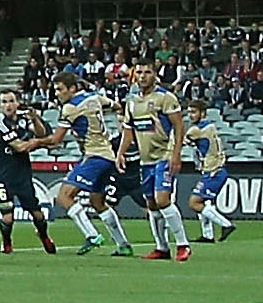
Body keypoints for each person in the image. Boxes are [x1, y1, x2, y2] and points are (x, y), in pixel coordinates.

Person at [120, 62, 193, 260]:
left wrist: (177, 154)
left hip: (165, 156)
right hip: (146, 160)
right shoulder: (133, 102)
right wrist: (120, 153)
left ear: (155, 75)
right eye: (140, 73)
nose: (143, 76)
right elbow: (129, 131)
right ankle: (161, 247)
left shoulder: (165, 97)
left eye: (147, 72)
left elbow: (179, 126)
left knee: (163, 200)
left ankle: (183, 245)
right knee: (151, 204)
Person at [59, 69, 133, 254]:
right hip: (108, 156)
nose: (57, 94)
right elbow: (116, 106)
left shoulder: (70, 107)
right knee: (97, 201)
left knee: (64, 196)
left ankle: (92, 235)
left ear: (72, 88)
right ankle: (123, 245)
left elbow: (56, 139)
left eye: (60, 89)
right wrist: (121, 121)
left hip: (95, 156)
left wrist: (35, 143)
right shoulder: (95, 97)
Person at [0, 83, 63, 253]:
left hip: (22, 174)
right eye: (3, 102)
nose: (7, 105)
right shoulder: (0, 122)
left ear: (17, 103)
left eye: (10, 101)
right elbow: (20, 147)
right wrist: (39, 143)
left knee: (37, 213)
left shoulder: (23, 118)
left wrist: (35, 118)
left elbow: (42, 133)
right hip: (3, 176)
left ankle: (44, 236)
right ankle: (6, 242)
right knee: (8, 216)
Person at [179, 81, 239, 243]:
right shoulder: (210, 127)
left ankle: (226, 224)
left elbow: (180, 142)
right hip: (214, 169)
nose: (190, 115)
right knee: (204, 203)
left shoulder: (196, 130)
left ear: (203, 113)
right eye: (189, 112)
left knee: (194, 202)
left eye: (194, 112)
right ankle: (207, 235)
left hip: (214, 171)